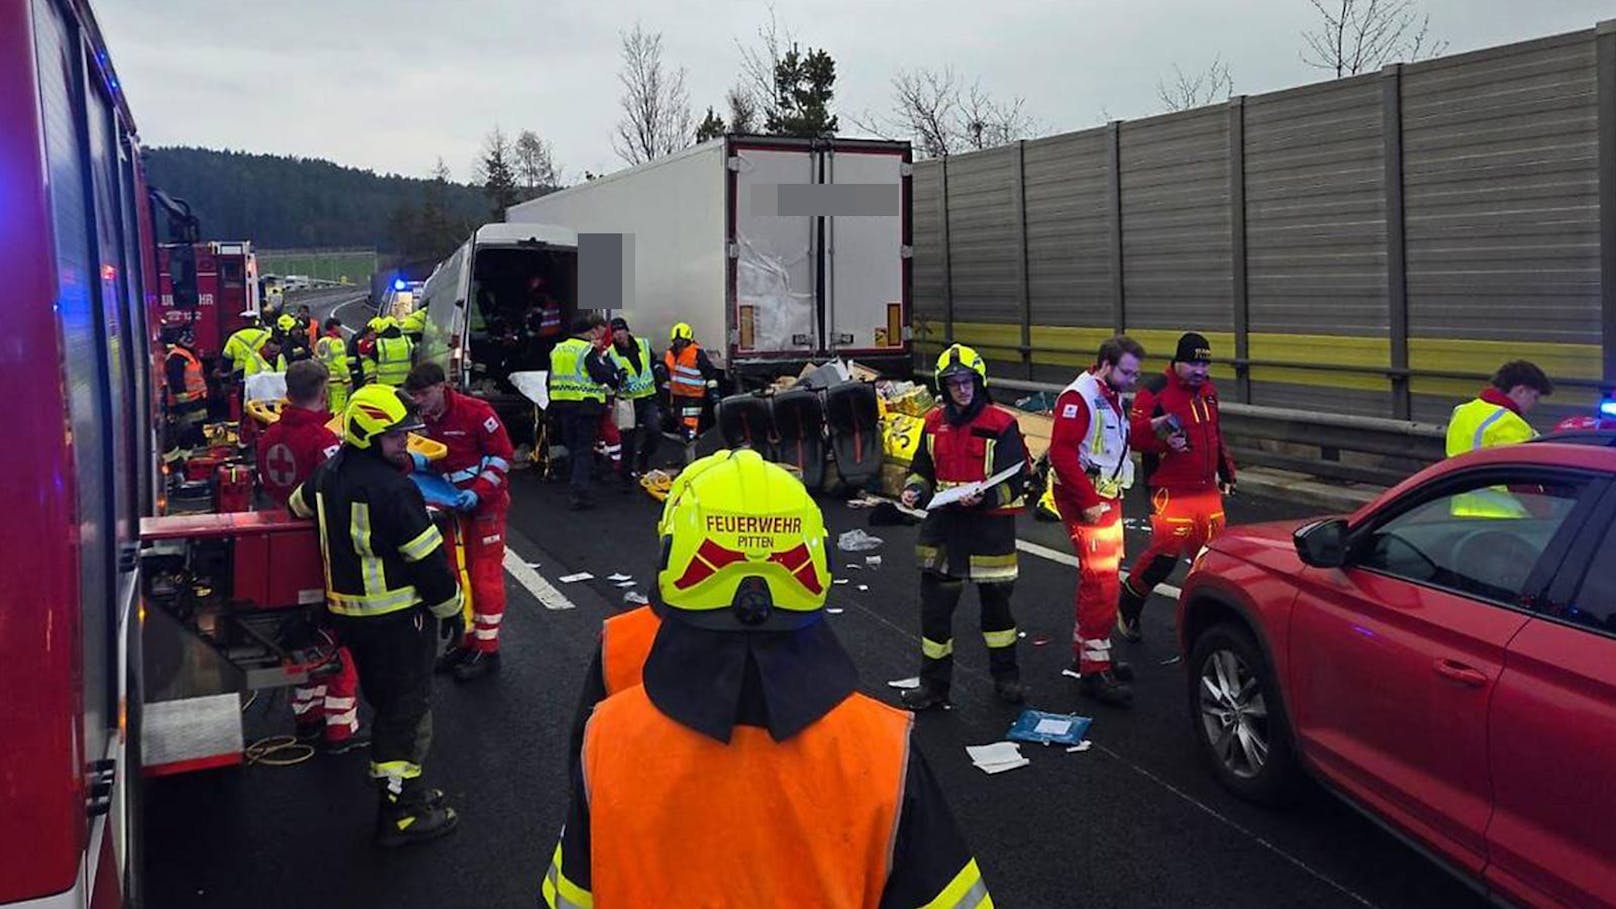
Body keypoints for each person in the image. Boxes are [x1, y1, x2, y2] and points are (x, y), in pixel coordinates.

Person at [541, 449, 991, 909]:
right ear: (818, 565)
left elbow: (570, 898)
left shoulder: (608, 740)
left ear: (674, 562)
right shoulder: (883, 749)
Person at [286, 384, 463, 847]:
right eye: (394, 436)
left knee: (387, 708)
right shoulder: (395, 489)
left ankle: (411, 794)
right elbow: (429, 565)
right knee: (404, 716)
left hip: (350, 619)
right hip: (399, 621)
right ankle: (400, 815)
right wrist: (453, 610)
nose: (404, 441)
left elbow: (296, 504)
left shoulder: (328, 473)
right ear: (367, 436)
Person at [897, 344, 1029, 711]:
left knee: (998, 616)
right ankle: (934, 686)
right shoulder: (932, 424)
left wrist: (985, 499)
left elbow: (1016, 480)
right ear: (944, 386)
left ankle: (1007, 679)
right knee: (935, 615)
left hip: (989, 532)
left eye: (967, 381)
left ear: (979, 381)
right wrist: (913, 489)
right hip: (944, 530)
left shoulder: (1002, 425)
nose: (962, 389)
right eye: (954, 382)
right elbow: (922, 469)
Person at [256, 360, 365, 755]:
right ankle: (339, 729)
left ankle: (306, 717)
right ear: (322, 392)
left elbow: (267, 483)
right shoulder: (322, 440)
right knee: (338, 637)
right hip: (323, 545)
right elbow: (339, 488)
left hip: (283, 539)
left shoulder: (268, 436)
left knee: (302, 636)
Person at [1115, 332, 1237, 643]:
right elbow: (1134, 438)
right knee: (1164, 557)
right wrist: (1162, 439)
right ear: (1177, 362)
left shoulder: (1208, 391)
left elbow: (1215, 434)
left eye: (1205, 364)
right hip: (1169, 490)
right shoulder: (1154, 392)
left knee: (1214, 558)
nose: (1200, 371)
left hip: (1206, 490)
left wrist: (1227, 471)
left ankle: (1211, 622)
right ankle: (1128, 604)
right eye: (1193, 364)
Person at [1048, 336, 1145, 707]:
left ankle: (1089, 654)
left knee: (1100, 577)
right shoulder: (1080, 397)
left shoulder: (1108, 394)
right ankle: (1093, 672)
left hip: (1104, 498)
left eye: (1136, 373)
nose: (1132, 380)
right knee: (1101, 581)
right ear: (1105, 364)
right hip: (1089, 501)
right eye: (1127, 372)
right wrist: (1088, 503)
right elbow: (1062, 454)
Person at [404, 362, 516, 682]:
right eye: (415, 396)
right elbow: (421, 457)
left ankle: (487, 647)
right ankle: (466, 640)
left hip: (484, 506)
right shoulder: (420, 418)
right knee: (456, 574)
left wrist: (479, 492)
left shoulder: (477, 412)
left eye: (424, 394)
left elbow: (502, 456)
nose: (419, 401)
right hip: (450, 509)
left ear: (441, 387)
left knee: (484, 576)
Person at [547, 314, 618, 510]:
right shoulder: (586, 350)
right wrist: (614, 373)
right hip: (585, 407)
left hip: (563, 406)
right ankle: (580, 493)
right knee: (583, 451)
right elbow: (600, 375)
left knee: (573, 448)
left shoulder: (558, 350)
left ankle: (577, 484)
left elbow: (550, 378)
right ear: (588, 332)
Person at [1445, 360, 1553, 456]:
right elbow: (1519, 470)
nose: (1535, 403)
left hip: (1454, 478)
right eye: (1535, 397)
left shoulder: (1462, 410)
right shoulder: (1510, 423)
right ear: (1521, 391)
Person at [605, 317, 666, 477]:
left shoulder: (643, 345)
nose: (619, 335)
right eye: (615, 332)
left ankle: (643, 457)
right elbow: (608, 378)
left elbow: (653, 362)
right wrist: (617, 377)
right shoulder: (610, 354)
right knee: (628, 442)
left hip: (648, 398)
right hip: (628, 402)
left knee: (655, 431)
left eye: (621, 330)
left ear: (627, 330)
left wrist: (659, 368)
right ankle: (626, 476)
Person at [662, 321, 720, 456]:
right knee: (680, 427)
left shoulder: (697, 354)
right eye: (676, 341)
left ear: (689, 340)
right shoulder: (670, 354)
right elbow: (667, 376)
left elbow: (710, 374)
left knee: (689, 430)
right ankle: (686, 455)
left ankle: (693, 457)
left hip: (693, 398)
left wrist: (714, 393)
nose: (679, 344)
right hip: (677, 397)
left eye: (682, 341)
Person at [162, 325, 209, 450]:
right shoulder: (177, 357)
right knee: (187, 435)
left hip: (196, 401)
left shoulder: (188, 355)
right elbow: (176, 382)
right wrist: (182, 405)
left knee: (196, 431)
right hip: (186, 404)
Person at [523, 276, 565, 369]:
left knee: (539, 365)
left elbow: (536, 318)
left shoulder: (538, 299)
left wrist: (530, 335)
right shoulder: (551, 298)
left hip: (542, 337)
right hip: (555, 335)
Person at [315, 318, 354, 415]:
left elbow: (318, 360)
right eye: (339, 327)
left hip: (326, 379)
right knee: (339, 408)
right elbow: (340, 363)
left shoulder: (320, 342)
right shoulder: (336, 342)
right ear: (334, 327)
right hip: (338, 380)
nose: (340, 329)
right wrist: (347, 380)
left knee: (329, 406)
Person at [368, 316, 414, 388]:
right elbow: (413, 357)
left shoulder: (380, 343)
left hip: (385, 382)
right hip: (404, 380)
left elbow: (373, 358)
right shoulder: (407, 341)